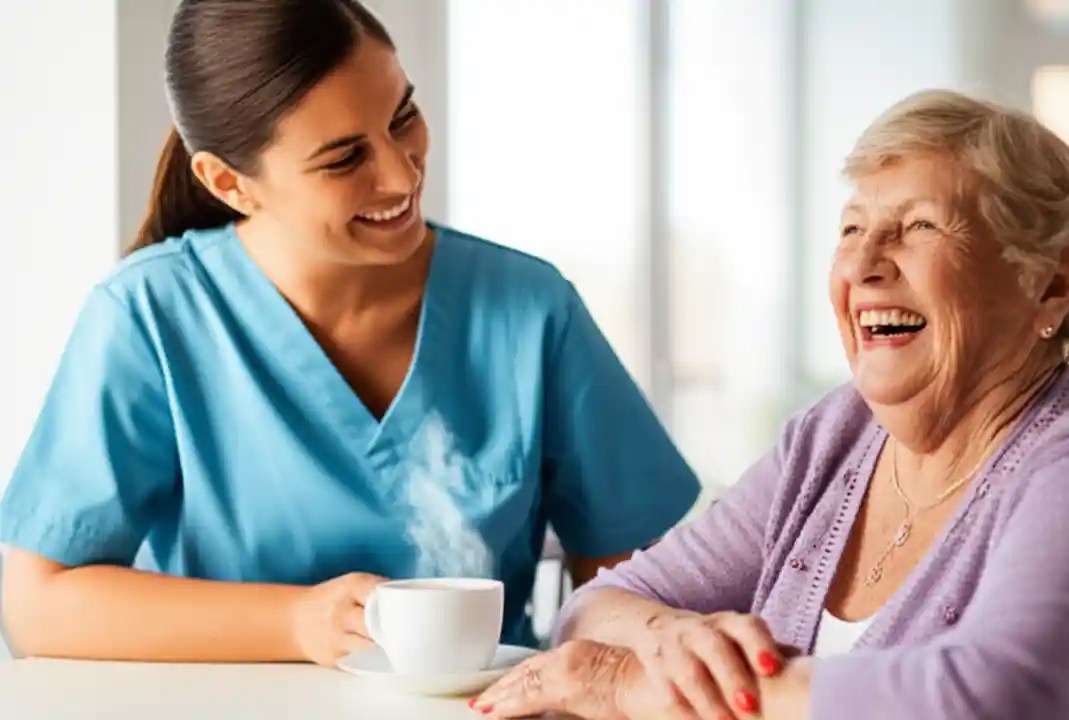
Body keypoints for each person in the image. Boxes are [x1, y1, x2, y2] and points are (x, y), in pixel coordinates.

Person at [0, 0, 699, 666]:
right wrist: (297, 623)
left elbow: (636, 575)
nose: (401, 173)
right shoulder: (150, 315)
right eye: (343, 159)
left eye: (404, 117)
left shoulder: (529, 308)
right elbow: (37, 604)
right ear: (229, 182)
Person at [471, 89, 1069, 719]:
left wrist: (635, 686)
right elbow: (595, 608)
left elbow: (1008, 701)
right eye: (851, 228)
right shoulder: (834, 437)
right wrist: (673, 644)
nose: (863, 263)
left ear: (1051, 284)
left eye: (917, 227)